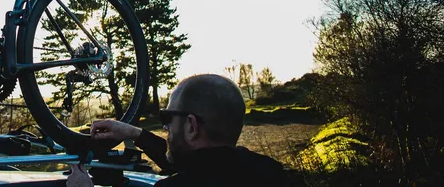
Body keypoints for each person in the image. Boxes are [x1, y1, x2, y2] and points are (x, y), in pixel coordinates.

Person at [68, 74, 287, 187]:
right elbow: (193, 165)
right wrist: (134, 133)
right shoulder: (271, 173)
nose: (166, 126)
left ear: (192, 126)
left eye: (169, 118)